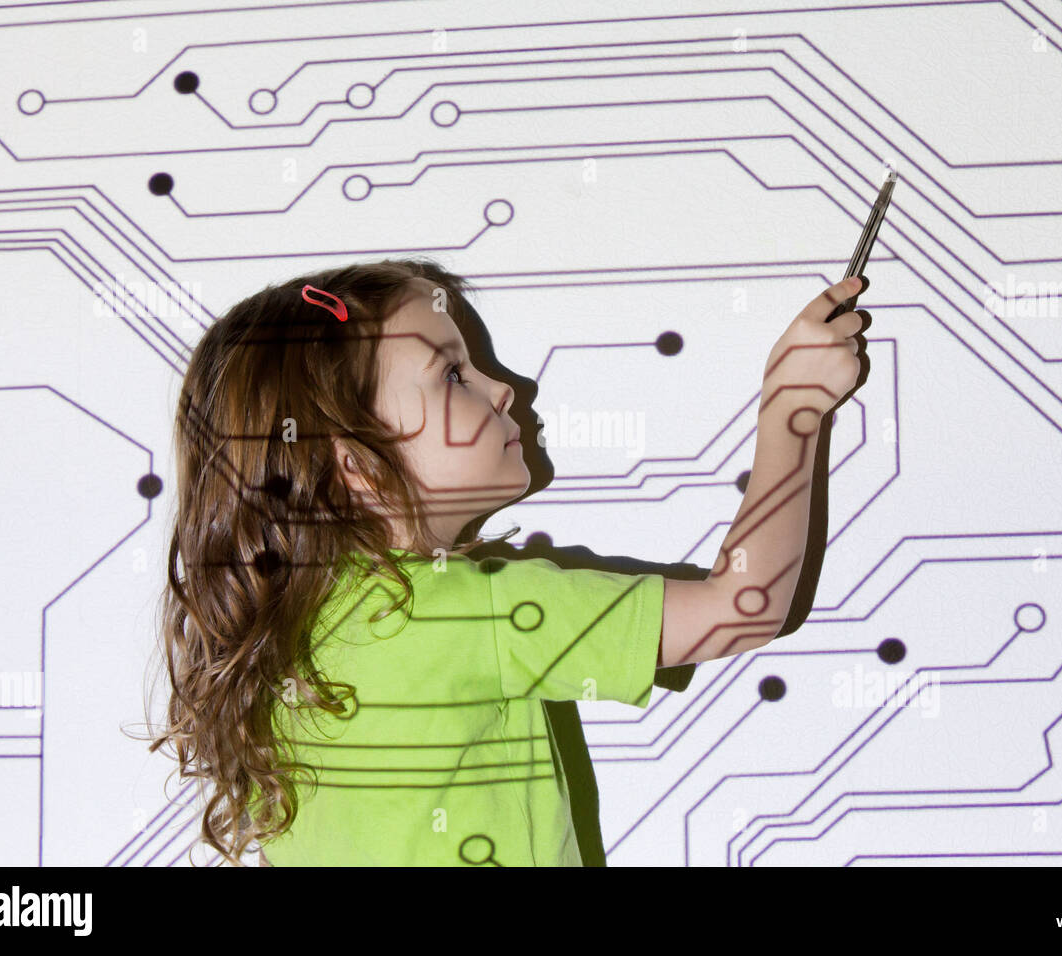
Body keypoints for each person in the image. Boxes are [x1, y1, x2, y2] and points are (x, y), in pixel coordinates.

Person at [143, 258, 867, 866]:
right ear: (357, 466)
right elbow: (743, 606)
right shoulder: (473, 608)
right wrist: (794, 410)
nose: (505, 388)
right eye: (452, 374)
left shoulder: (283, 650)